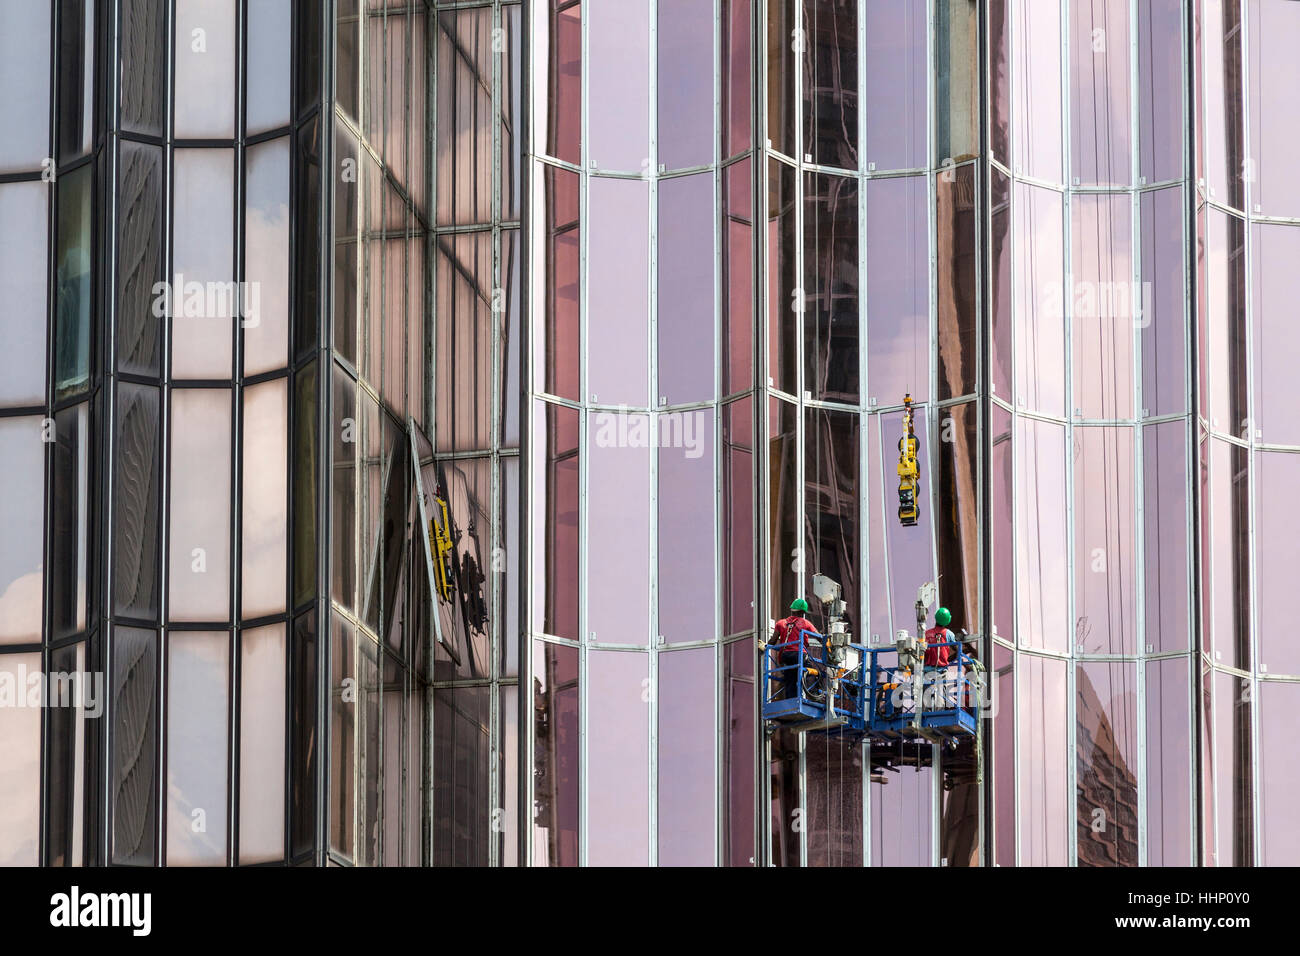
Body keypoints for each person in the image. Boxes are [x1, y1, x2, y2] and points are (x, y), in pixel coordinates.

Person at [770, 599, 816, 701]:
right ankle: (813, 694)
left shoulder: (781, 623)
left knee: (790, 679)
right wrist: (828, 644)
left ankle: (790, 701)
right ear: (803, 612)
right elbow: (819, 637)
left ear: (792, 610)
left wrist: (765, 646)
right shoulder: (805, 623)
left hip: (785, 656)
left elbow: (773, 640)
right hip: (799, 654)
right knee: (811, 672)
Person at [924, 607, 956, 707]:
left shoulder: (927, 633)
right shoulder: (949, 634)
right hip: (941, 670)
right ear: (948, 620)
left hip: (927, 670)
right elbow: (956, 649)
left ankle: (925, 711)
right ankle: (940, 711)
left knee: (926, 695)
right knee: (941, 696)